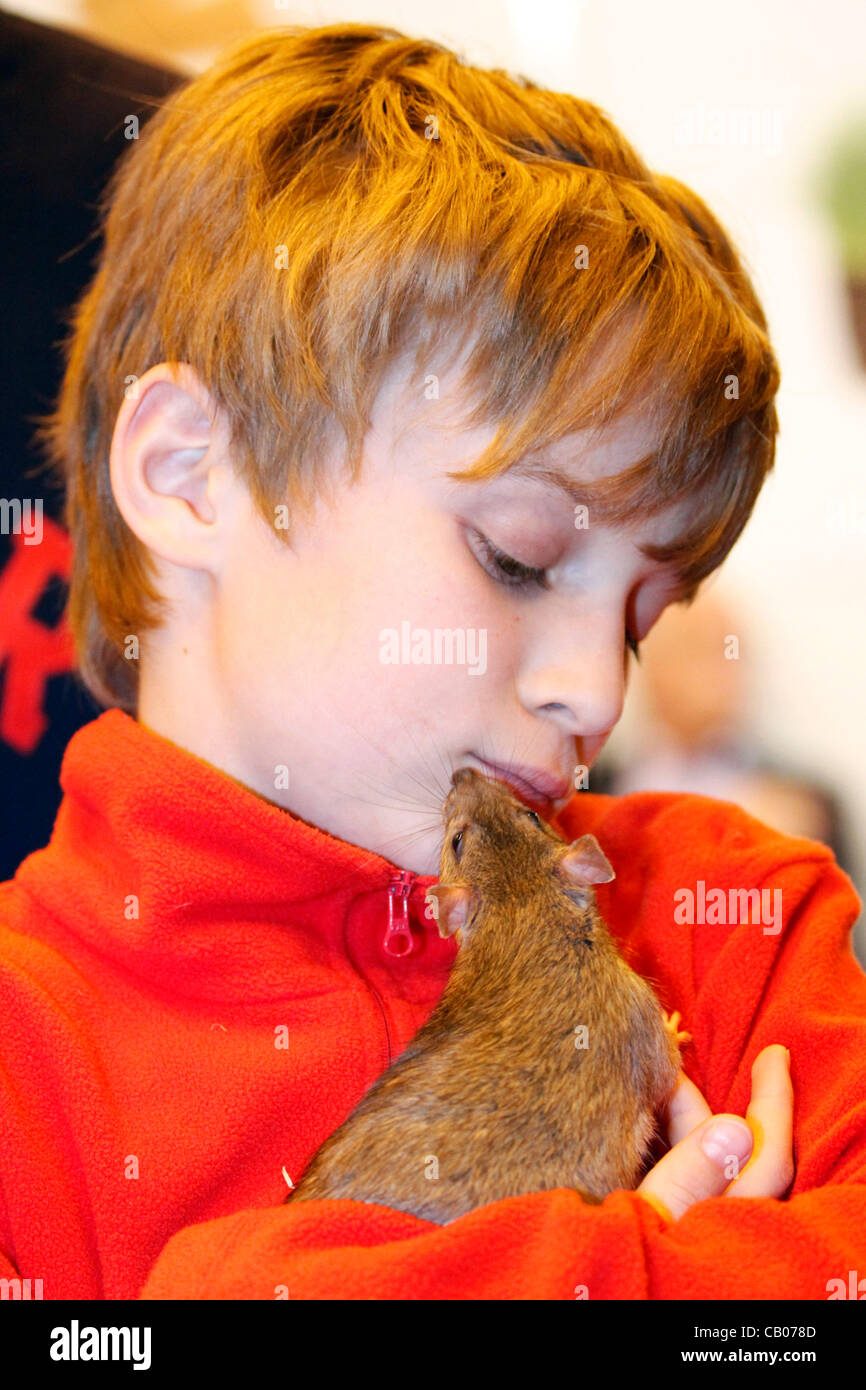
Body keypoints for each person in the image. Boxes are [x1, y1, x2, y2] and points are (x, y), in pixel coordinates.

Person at [2, 21, 863, 1301]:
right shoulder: (28, 1056)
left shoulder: (732, 918)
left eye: (639, 617)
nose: (597, 691)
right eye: (515, 559)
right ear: (192, 476)